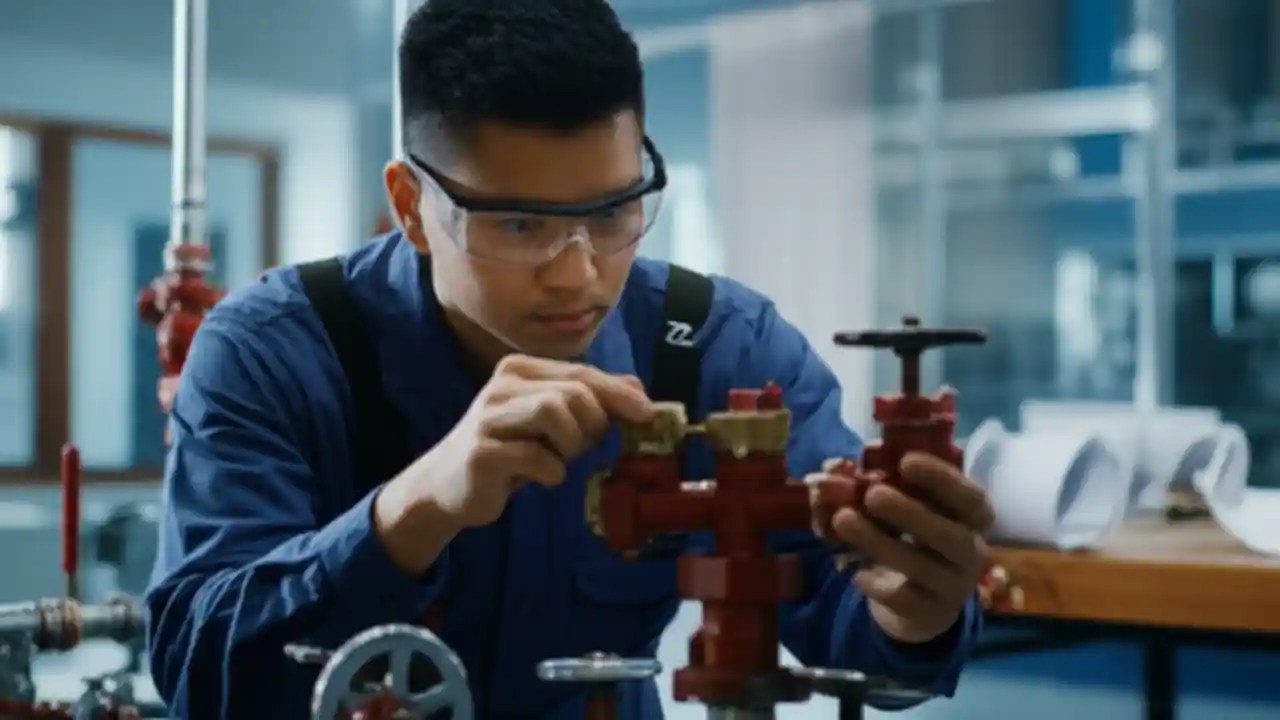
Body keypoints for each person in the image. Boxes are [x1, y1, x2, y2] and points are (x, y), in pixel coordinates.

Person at [145, 0, 995, 717]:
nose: (579, 274)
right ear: (410, 205)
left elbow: (850, 622)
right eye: (519, 225)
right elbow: (198, 672)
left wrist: (912, 608)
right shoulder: (274, 353)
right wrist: (416, 507)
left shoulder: (714, 346)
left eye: (616, 210)